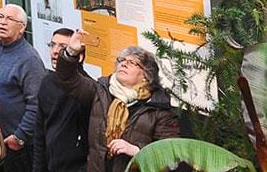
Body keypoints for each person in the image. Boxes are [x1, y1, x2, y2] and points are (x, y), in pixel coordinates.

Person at [52, 36, 179, 172]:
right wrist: (70, 52)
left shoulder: (158, 108)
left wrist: (137, 151)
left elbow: (170, 158)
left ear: (146, 75)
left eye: (132, 63)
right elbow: (67, 78)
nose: (123, 64)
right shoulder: (101, 91)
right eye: (121, 60)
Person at [0, 6, 46, 172]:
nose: (3, 22)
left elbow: (37, 103)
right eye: (1, 16)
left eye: (10, 19)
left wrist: (20, 137)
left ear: (22, 27)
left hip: (15, 146)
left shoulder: (29, 59)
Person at [31, 29, 90, 172]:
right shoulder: (47, 82)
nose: (55, 52)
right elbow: (40, 131)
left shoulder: (86, 89)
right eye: (53, 45)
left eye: (63, 48)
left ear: (79, 56)